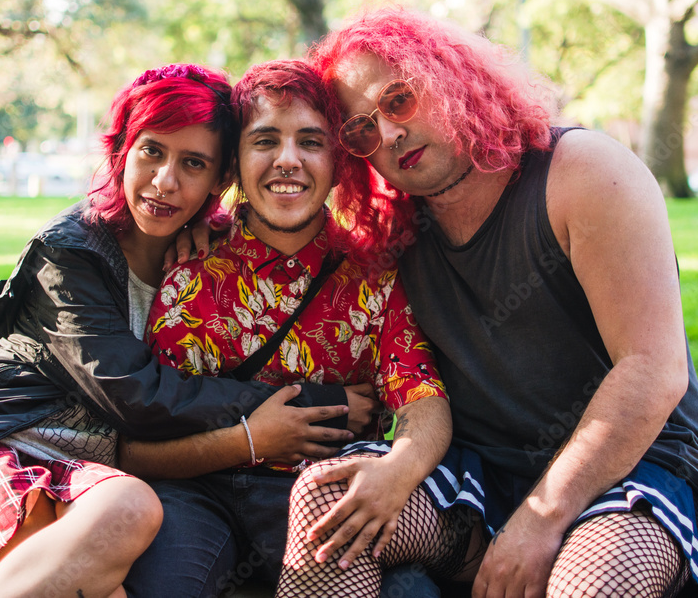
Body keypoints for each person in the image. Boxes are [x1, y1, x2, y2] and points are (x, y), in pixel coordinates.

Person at [273, 7, 698, 598]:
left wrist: (540, 520)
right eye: (362, 130)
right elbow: (270, 235)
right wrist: (175, 231)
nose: (389, 134)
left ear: (448, 79)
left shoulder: (583, 172)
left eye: (398, 101)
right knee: (329, 500)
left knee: (590, 586)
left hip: (630, 475)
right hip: (479, 477)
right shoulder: (392, 232)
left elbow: (652, 371)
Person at [0, 63, 358, 598]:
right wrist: (309, 403)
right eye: (152, 151)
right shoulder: (70, 253)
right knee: (131, 508)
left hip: (77, 471)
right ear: (122, 151)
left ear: (220, 178)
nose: (165, 182)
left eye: (194, 163)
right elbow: (136, 396)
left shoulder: (202, 248)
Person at [119, 59, 454, 598]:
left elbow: (422, 399)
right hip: (201, 497)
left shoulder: (373, 277)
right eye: (266, 140)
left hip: (322, 494)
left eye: (311, 142)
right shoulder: (190, 270)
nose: (288, 161)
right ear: (235, 161)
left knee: (411, 592)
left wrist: (399, 469)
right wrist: (250, 441)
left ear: (341, 160)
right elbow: (139, 446)